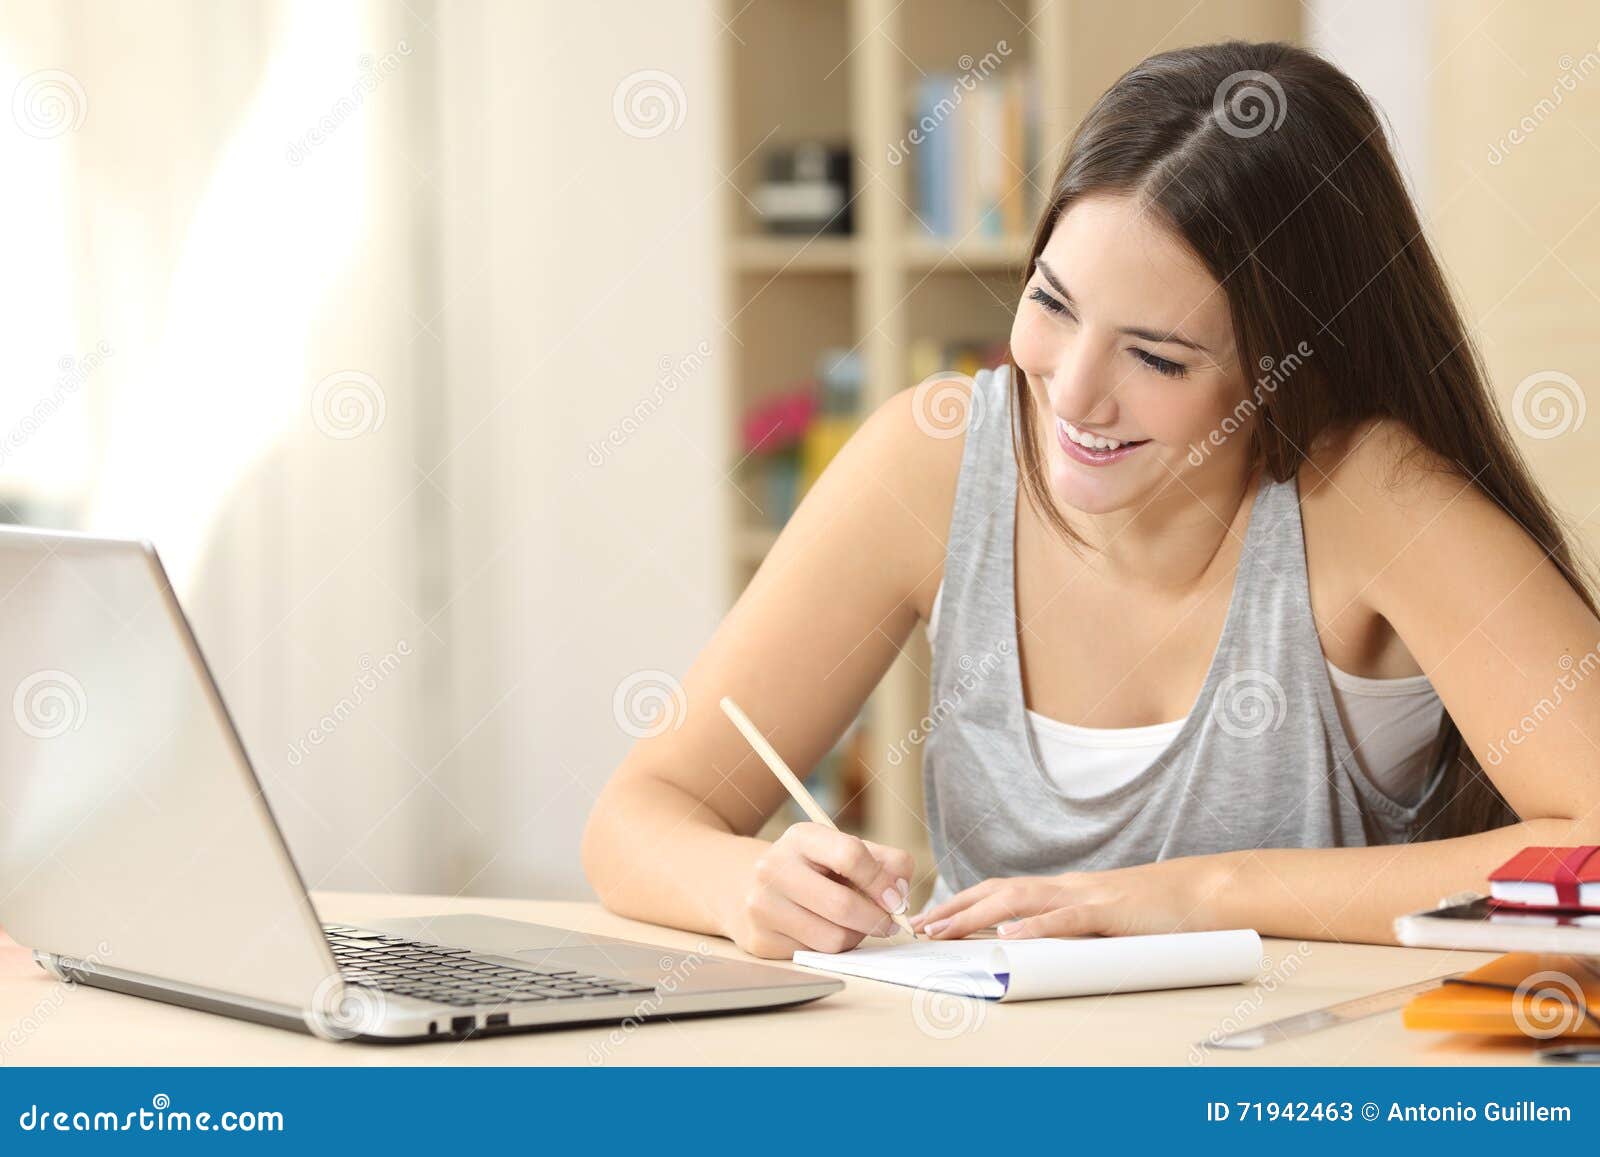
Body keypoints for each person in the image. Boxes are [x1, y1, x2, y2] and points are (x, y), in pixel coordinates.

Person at [583, 40, 1600, 959]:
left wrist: (1205, 890)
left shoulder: (1368, 495)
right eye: (1050, 303)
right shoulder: (930, 460)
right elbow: (639, 813)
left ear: (1285, 369)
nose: (1069, 392)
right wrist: (745, 884)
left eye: (1156, 355)